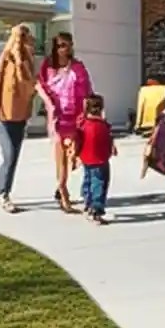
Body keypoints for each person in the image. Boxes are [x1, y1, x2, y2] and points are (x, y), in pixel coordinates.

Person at [37, 32, 93, 213]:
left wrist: (90, 113)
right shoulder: (48, 67)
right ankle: (63, 192)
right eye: (61, 45)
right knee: (60, 156)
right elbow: (39, 86)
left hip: (76, 117)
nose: (65, 48)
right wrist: (49, 103)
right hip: (58, 118)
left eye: (68, 45)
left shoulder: (78, 67)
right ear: (55, 47)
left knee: (74, 156)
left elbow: (87, 91)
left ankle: (61, 187)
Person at [0, 24, 36, 214]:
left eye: (23, 36)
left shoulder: (26, 61)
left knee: (14, 157)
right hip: (3, 116)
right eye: (18, 36)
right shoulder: (6, 58)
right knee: (9, 154)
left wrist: (21, 61)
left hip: (20, 116)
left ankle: (6, 190)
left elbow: (29, 84)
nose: (20, 40)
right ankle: (3, 193)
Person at [75, 93, 116, 224]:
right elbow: (107, 139)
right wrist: (111, 148)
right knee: (99, 183)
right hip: (100, 159)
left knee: (89, 179)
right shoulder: (102, 125)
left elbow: (78, 140)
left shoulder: (83, 124)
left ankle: (87, 203)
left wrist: (76, 155)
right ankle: (96, 209)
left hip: (86, 158)